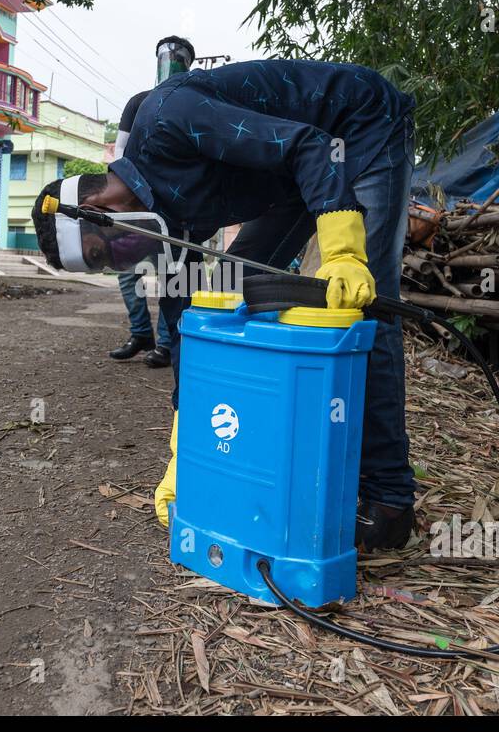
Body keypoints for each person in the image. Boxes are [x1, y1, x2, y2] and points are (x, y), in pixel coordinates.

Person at [32, 58, 417, 552]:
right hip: (294, 177)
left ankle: (389, 501)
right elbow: (191, 338)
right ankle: (266, 456)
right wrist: (183, 460)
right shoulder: (164, 232)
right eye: (105, 266)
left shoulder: (170, 118)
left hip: (354, 126)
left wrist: (342, 252)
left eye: (101, 251)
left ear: (99, 211)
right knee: (234, 297)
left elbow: (309, 146)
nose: (118, 262)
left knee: (366, 302)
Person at [105, 37, 196, 368]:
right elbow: (120, 155)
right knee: (127, 271)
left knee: (171, 275)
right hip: (139, 206)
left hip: (178, 210)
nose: (171, 61)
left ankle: (168, 345)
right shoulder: (139, 102)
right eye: (166, 55)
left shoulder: (195, 102)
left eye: (178, 56)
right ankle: (141, 332)